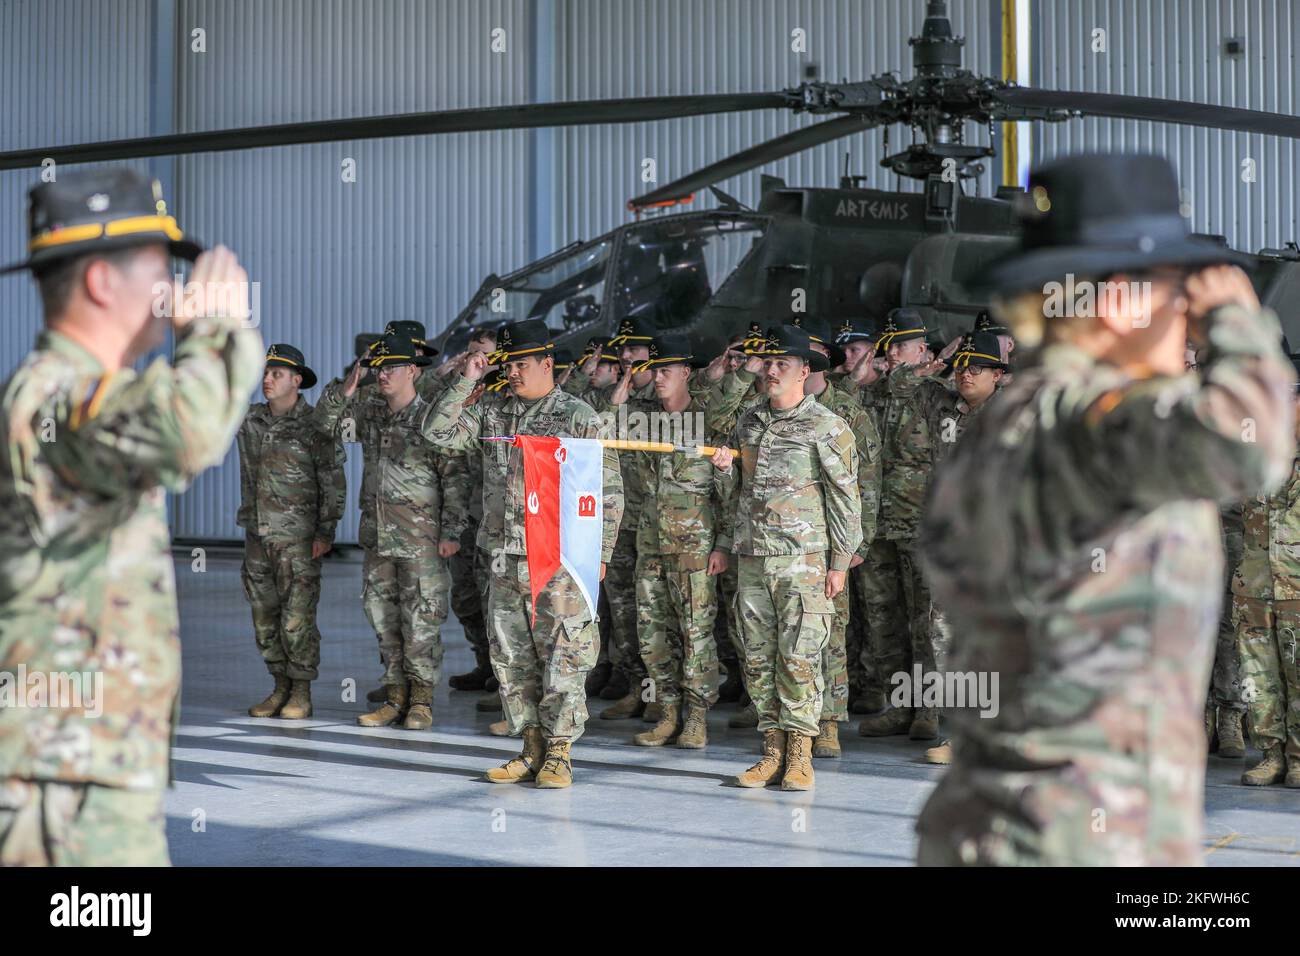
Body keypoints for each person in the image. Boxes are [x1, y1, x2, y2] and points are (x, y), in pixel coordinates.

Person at [915, 153, 1294, 865]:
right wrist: (1240, 323)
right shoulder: (1101, 419)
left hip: (997, 818)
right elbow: (1253, 447)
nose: (1187, 315)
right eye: (1178, 294)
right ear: (1122, 297)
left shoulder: (1006, 418)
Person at [0, 168, 262, 865]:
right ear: (100, 282)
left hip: (86, 767)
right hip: (63, 787)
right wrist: (217, 324)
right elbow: (189, 426)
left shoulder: (80, 394)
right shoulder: (58, 399)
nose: (173, 291)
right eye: (158, 269)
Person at [421, 319, 624, 788]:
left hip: (558, 556)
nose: (512, 372)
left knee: (565, 654)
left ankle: (559, 753)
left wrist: (600, 552)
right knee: (511, 656)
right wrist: (469, 376)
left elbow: (606, 488)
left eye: (521, 363)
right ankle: (529, 745)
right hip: (503, 556)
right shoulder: (493, 412)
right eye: (507, 363)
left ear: (547, 363)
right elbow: (436, 432)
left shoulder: (578, 416)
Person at [712, 325, 863, 790]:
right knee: (757, 659)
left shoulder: (827, 426)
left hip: (804, 562)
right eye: (768, 363)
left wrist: (839, 562)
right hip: (754, 556)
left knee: (799, 657)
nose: (771, 371)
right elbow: (739, 493)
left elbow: (845, 498)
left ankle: (800, 755)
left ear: (805, 371)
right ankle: (771, 751)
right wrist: (723, 472)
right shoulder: (750, 421)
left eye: (782, 364)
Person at [314, 333, 467, 731]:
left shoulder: (433, 416)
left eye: (391, 367)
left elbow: (454, 477)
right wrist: (347, 383)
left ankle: (421, 701)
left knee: (422, 620)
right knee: (383, 619)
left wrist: (451, 530)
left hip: (423, 540)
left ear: (413, 370)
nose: (382, 375)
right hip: (379, 538)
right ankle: (394, 695)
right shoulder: (369, 412)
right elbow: (324, 426)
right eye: (378, 368)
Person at [625, 333, 728, 748]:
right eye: (655, 369)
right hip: (650, 544)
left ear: (686, 373)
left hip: (695, 548)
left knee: (696, 633)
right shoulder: (643, 418)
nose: (658, 377)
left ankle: (697, 717)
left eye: (666, 370)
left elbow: (730, 492)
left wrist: (721, 544)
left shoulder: (710, 422)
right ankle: (667, 712)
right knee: (652, 633)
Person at [238, 344, 346, 720]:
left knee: (296, 617)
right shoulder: (251, 420)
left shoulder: (315, 424)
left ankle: (301, 690)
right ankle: (279, 685)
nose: (267, 380)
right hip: (257, 535)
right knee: (263, 615)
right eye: (266, 373)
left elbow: (332, 480)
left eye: (277, 374)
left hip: (298, 538)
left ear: (297, 381)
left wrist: (325, 531)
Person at [856, 307, 947, 741]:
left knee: (922, 618)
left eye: (899, 346)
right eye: (885, 345)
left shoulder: (936, 390)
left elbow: (908, 383)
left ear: (922, 349)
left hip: (920, 522)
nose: (889, 354)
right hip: (877, 521)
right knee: (882, 617)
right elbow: (845, 386)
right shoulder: (875, 393)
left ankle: (928, 707)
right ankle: (900, 704)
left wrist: (920, 371)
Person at [797, 317, 880, 758]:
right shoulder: (773, 410)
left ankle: (828, 720)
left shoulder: (849, 412)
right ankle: (794, 722)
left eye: (806, 362)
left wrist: (854, 548)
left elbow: (867, 483)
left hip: (832, 545)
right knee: (792, 634)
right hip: (792, 544)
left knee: (832, 633)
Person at [1232, 361, 1300, 787]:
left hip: (1296, 584)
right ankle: (1271, 755)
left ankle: (1299, 758)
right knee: (1258, 676)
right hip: (1255, 582)